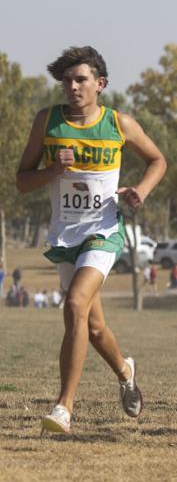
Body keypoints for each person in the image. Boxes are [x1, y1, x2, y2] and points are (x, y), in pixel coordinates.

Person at [15, 46, 165, 434]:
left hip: (104, 230)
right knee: (92, 325)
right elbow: (22, 181)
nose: (72, 86)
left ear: (100, 84)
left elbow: (158, 160)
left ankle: (64, 407)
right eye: (67, 80)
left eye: (81, 79)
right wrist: (53, 169)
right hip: (66, 234)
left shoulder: (119, 124)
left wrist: (142, 191)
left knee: (75, 304)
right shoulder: (46, 122)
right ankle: (125, 371)